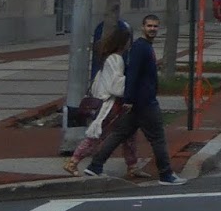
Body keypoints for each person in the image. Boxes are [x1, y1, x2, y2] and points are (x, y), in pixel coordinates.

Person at [82, 14, 184, 185]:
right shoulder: (141, 48)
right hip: (144, 102)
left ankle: (95, 166)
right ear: (143, 27)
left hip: (137, 103)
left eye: (155, 26)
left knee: (119, 134)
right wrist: (129, 99)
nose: (152, 29)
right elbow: (132, 74)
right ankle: (166, 174)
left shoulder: (144, 47)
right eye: (149, 26)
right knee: (158, 138)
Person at [64, 23, 148, 179]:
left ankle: (132, 165)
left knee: (128, 135)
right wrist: (133, 82)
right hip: (112, 105)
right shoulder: (116, 59)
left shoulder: (109, 58)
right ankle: (73, 161)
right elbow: (115, 86)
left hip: (113, 104)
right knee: (98, 136)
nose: (129, 44)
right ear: (122, 43)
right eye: (128, 41)